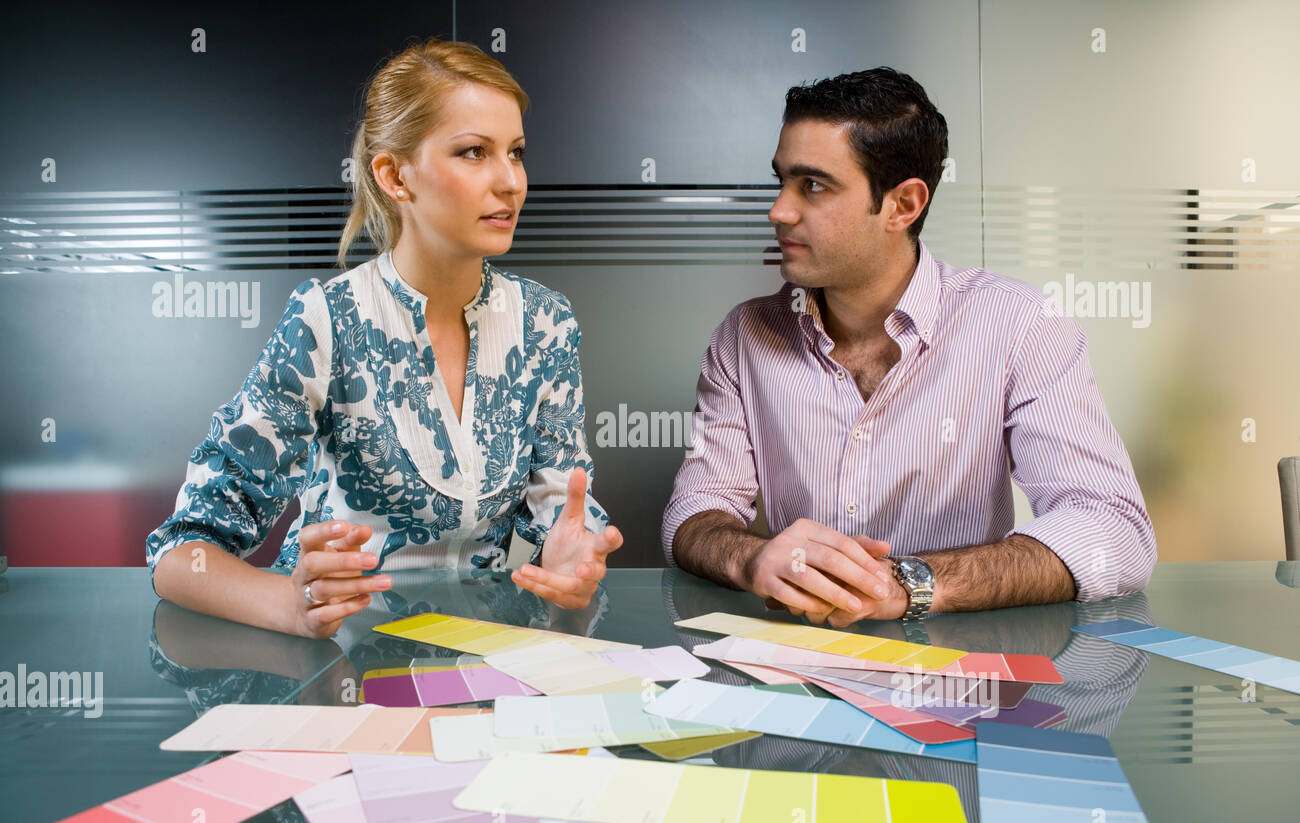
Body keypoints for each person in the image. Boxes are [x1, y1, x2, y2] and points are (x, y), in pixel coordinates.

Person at [148, 39, 622, 639]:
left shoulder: (545, 323)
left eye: (517, 153)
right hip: (344, 675)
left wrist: (569, 558)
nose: (511, 182)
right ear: (395, 175)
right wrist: (287, 606)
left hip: (487, 675)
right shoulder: (326, 321)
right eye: (474, 152)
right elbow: (180, 552)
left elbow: (563, 511)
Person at [663, 68, 1156, 627]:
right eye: (781, 181)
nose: (779, 210)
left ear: (903, 205)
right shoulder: (743, 337)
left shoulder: (1020, 325)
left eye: (814, 186)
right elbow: (694, 514)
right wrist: (752, 558)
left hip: (960, 668)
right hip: (798, 662)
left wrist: (906, 584)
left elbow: (1112, 531)